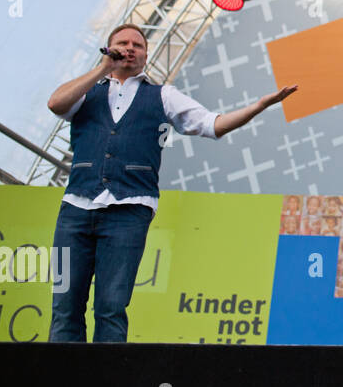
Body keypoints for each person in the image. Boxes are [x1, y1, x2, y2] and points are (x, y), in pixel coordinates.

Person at [46, 23, 297, 342]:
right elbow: (56, 104)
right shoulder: (87, 93)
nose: (130, 48)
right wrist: (103, 69)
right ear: (109, 49)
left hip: (128, 210)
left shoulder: (161, 95)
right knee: (65, 306)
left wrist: (258, 106)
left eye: (137, 44)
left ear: (146, 56)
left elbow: (212, 124)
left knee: (110, 307)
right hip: (76, 210)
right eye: (122, 43)